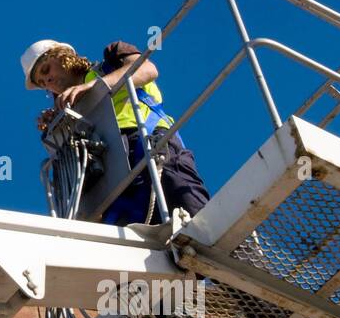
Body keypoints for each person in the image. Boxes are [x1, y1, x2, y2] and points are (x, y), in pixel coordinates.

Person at [20, 39, 210, 225]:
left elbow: (147, 70)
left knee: (194, 217)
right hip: (114, 174)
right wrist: (57, 125)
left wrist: (95, 86)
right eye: (42, 82)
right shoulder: (69, 111)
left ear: (62, 57)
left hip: (151, 145)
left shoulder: (111, 60)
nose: (48, 81)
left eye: (46, 70)